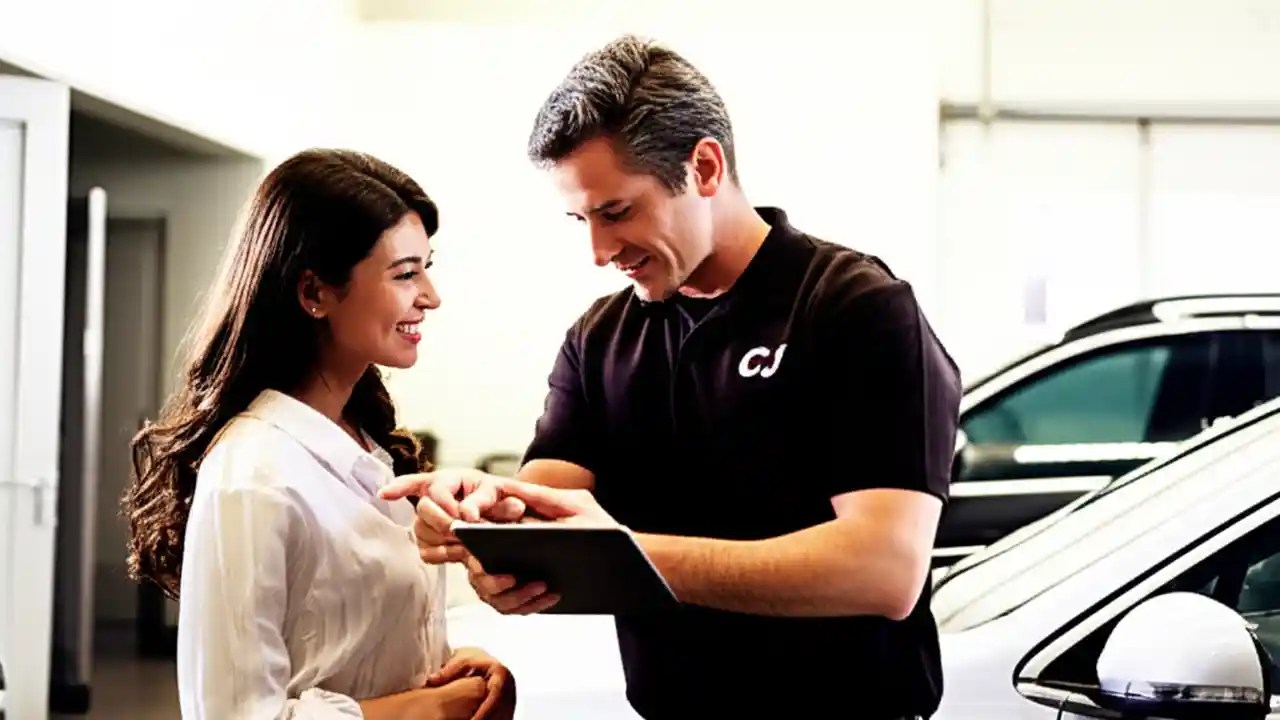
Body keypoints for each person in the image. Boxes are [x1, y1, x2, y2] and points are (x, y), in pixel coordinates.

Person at [382, 34, 962, 720]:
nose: (599, 251)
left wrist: (626, 556)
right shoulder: (599, 340)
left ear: (705, 167)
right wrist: (478, 523)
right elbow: (541, 505)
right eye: (581, 219)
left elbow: (882, 570)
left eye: (617, 211)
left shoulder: (853, 308)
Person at [122, 149, 516, 720]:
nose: (430, 295)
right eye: (406, 273)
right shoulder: (253, 472)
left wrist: (456, 668)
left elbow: (345, 655)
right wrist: (432, 711)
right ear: (314, 293)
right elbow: (234, 715)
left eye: (427, 268)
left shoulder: (369, 448)